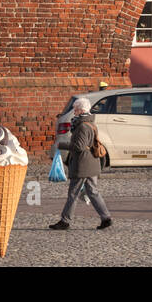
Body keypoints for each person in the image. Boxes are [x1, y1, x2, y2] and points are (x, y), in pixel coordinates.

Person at [49, 97, 112, 230]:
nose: (74, 112)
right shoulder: (89, 123)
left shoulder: (83, 126)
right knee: (92, 192)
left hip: (83, 164)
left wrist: (61, 145)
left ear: (81, 110)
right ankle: (106, 217)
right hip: (91, 163)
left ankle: (65, 221)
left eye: (76, 109)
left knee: (73, 193)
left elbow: (79, 146)